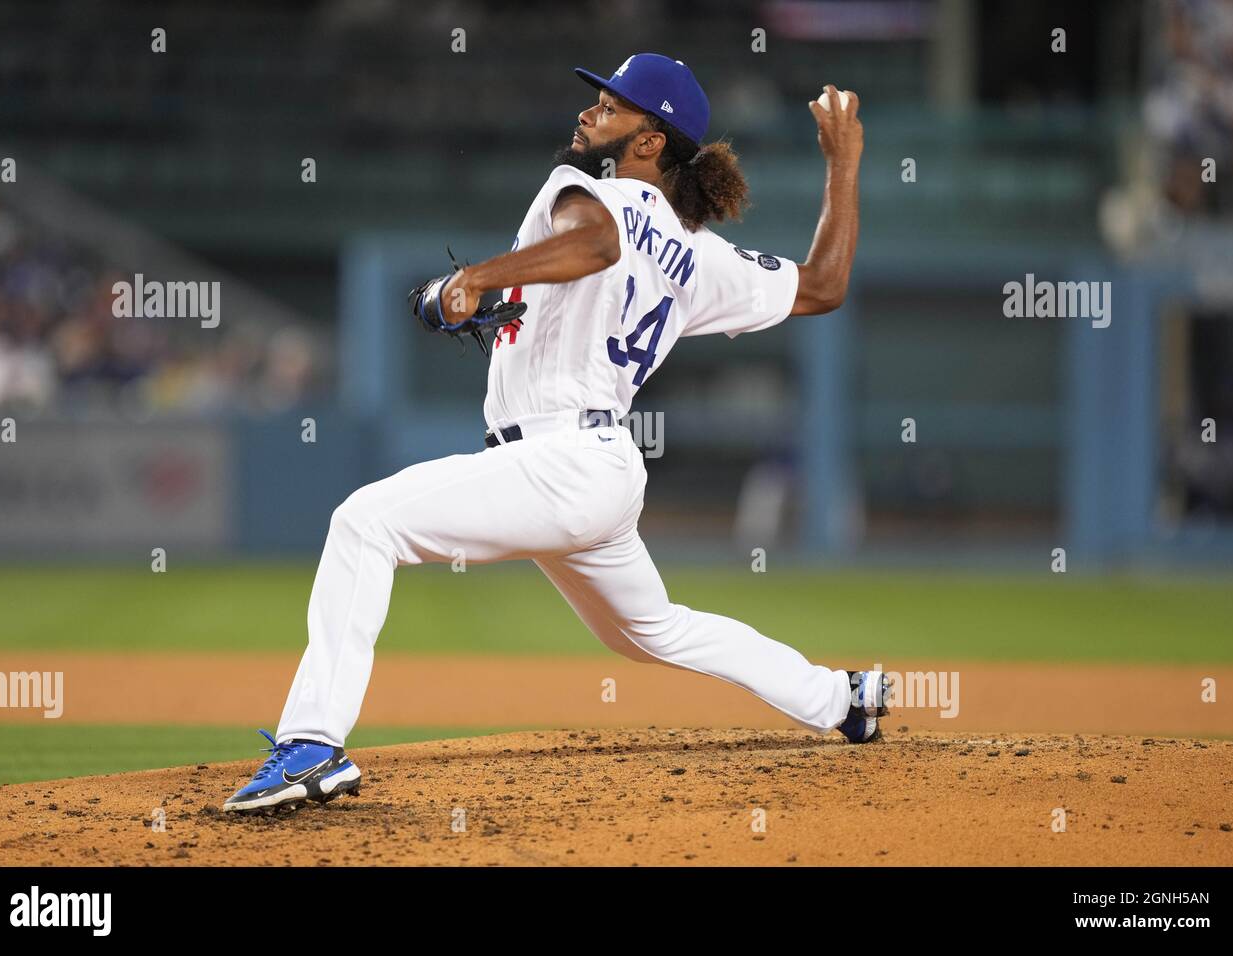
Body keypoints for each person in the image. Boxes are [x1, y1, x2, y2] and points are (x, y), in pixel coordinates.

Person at [224, 53, 884, 814]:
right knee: (652, 630)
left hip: (561, 458)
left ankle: (311, 746)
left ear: (649, 144)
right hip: (597, 470)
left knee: (363, 522)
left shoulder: (581, 187)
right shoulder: (699, 257)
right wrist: (844, 163)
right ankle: (842, 698)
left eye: (610, 108)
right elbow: (824, 283)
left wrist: (474, 279)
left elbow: (597, 243)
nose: (588, 115)